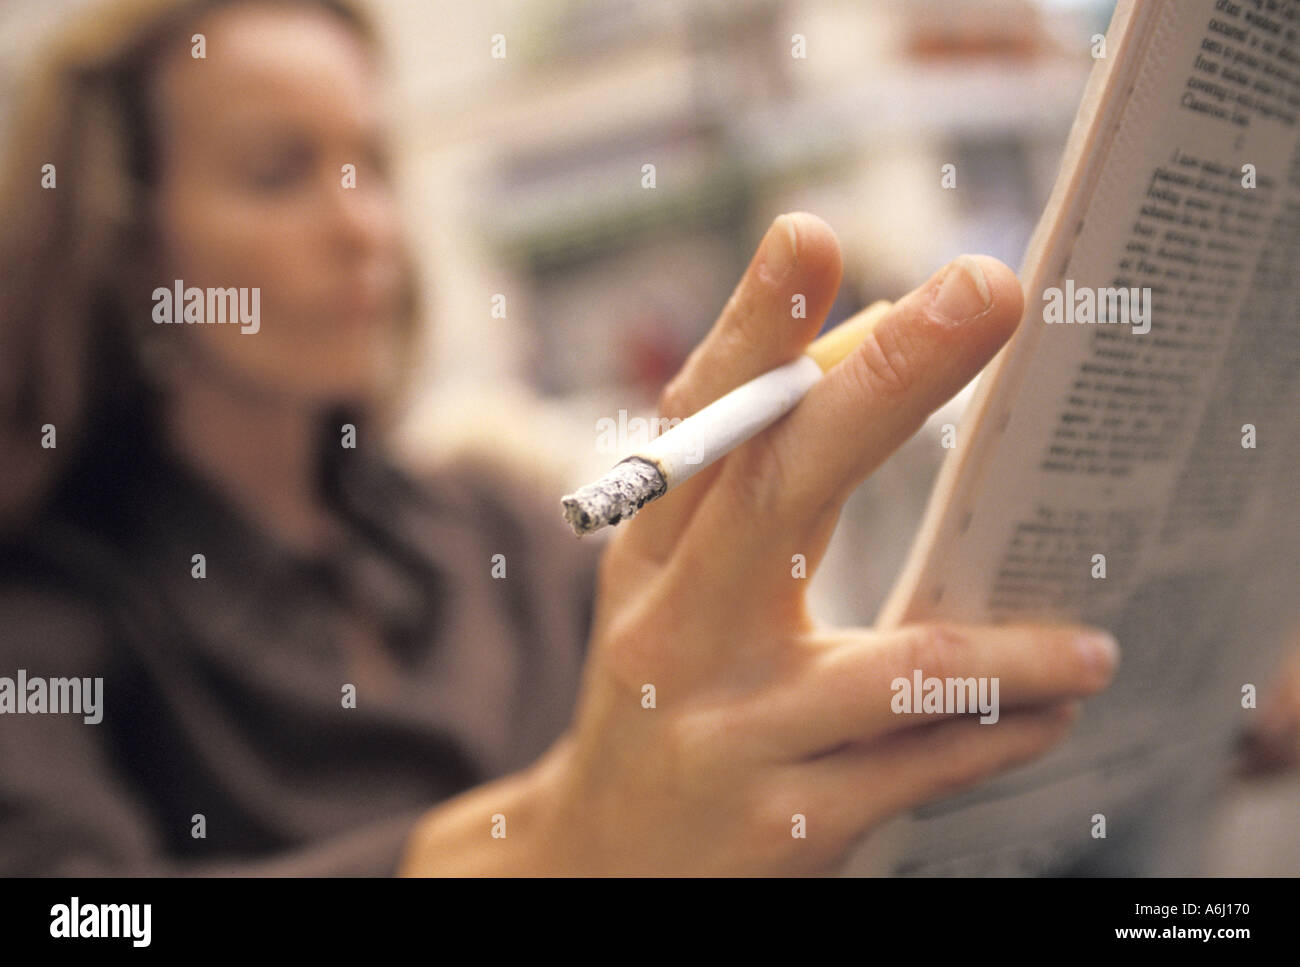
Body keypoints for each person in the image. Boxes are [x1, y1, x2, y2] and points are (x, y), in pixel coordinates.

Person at [0, 0, 1123, 876]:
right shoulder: (46, 608)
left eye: (373, 165)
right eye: (278, 171)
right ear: (123, 233)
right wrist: (548, 848)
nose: (361, 225)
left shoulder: (493, 524)